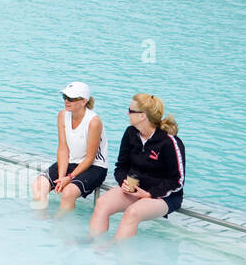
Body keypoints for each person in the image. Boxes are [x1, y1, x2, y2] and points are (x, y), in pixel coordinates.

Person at [89, 94, 186, 241]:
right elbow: (121, 167)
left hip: (163, 196)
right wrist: (125, 183)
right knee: (102, 203)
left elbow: (177, 181)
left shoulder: (170, 142)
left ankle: (115, 251)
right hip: (134, 190)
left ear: (142, 116)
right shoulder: (130, 133)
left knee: (132, 212)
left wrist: (149, 194)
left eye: (130, 110)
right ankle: (94, 244)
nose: (127, 113)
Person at [32, 81, 107, 213]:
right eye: (64, 97)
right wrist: (61, 177)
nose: (66, 101)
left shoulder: (94, 122)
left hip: (94, 166)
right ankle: (40, 220)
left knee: (68, 193)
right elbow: (63, 149)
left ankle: (62, 227)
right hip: (72, 161)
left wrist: (69, 178)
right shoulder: (62, 115)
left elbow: (90, 158)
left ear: (83, 101)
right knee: (38, 186)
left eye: (71, 98)